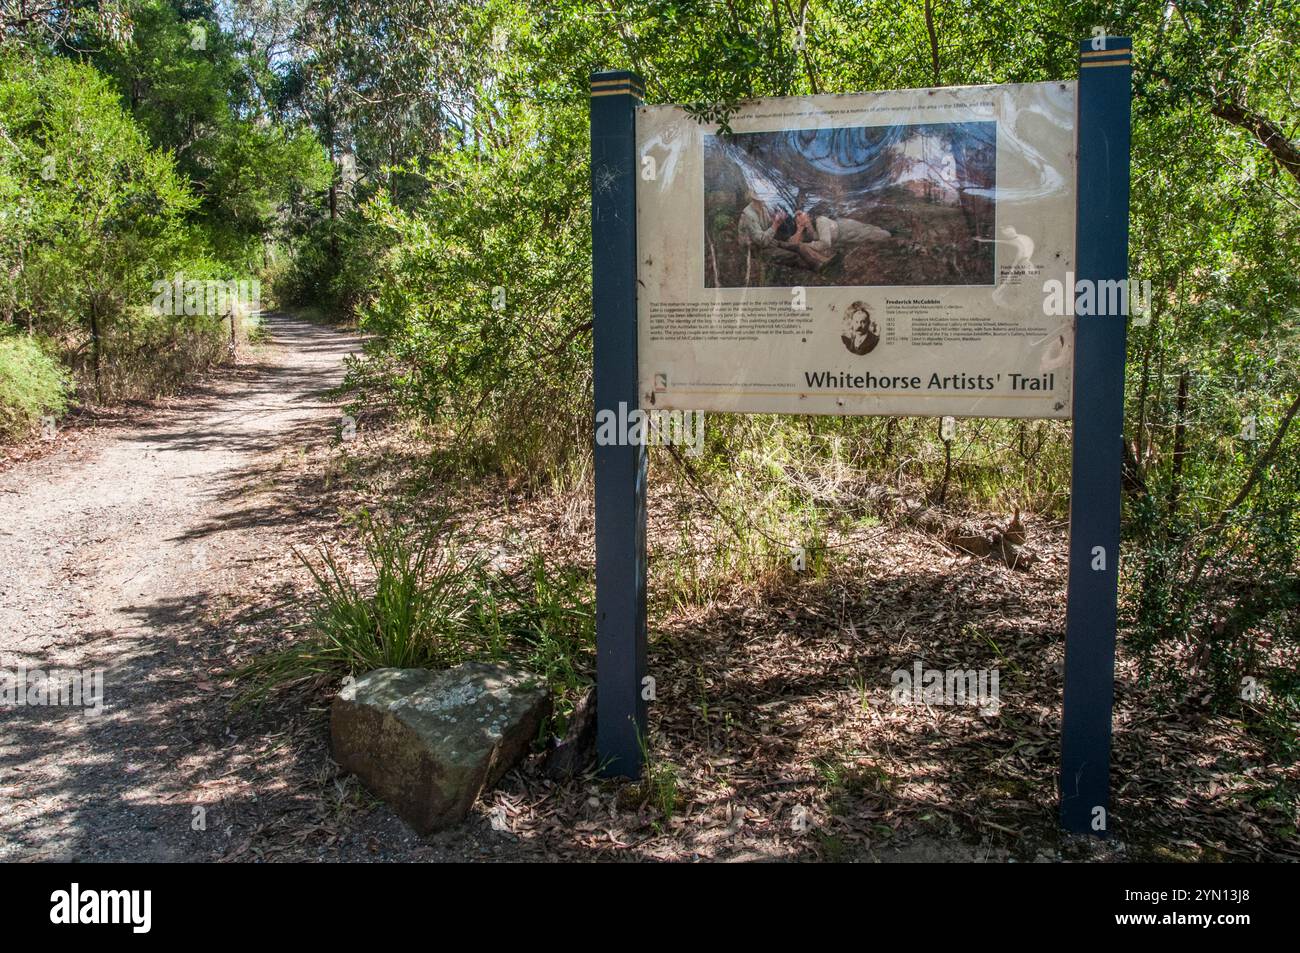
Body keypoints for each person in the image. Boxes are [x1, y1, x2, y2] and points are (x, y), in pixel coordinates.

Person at [782, 210, 892, 271]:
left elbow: (825, 243)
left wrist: (806, 244)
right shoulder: (807, 232)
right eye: (797, 218)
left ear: (809, 216)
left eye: (802, 215)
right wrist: (800, 229)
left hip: (846, 229)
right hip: (843, 236)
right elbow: (792, 244)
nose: (800, 218)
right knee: (871, 233)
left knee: (882, 235)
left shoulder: (820, 221)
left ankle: (891, 231)